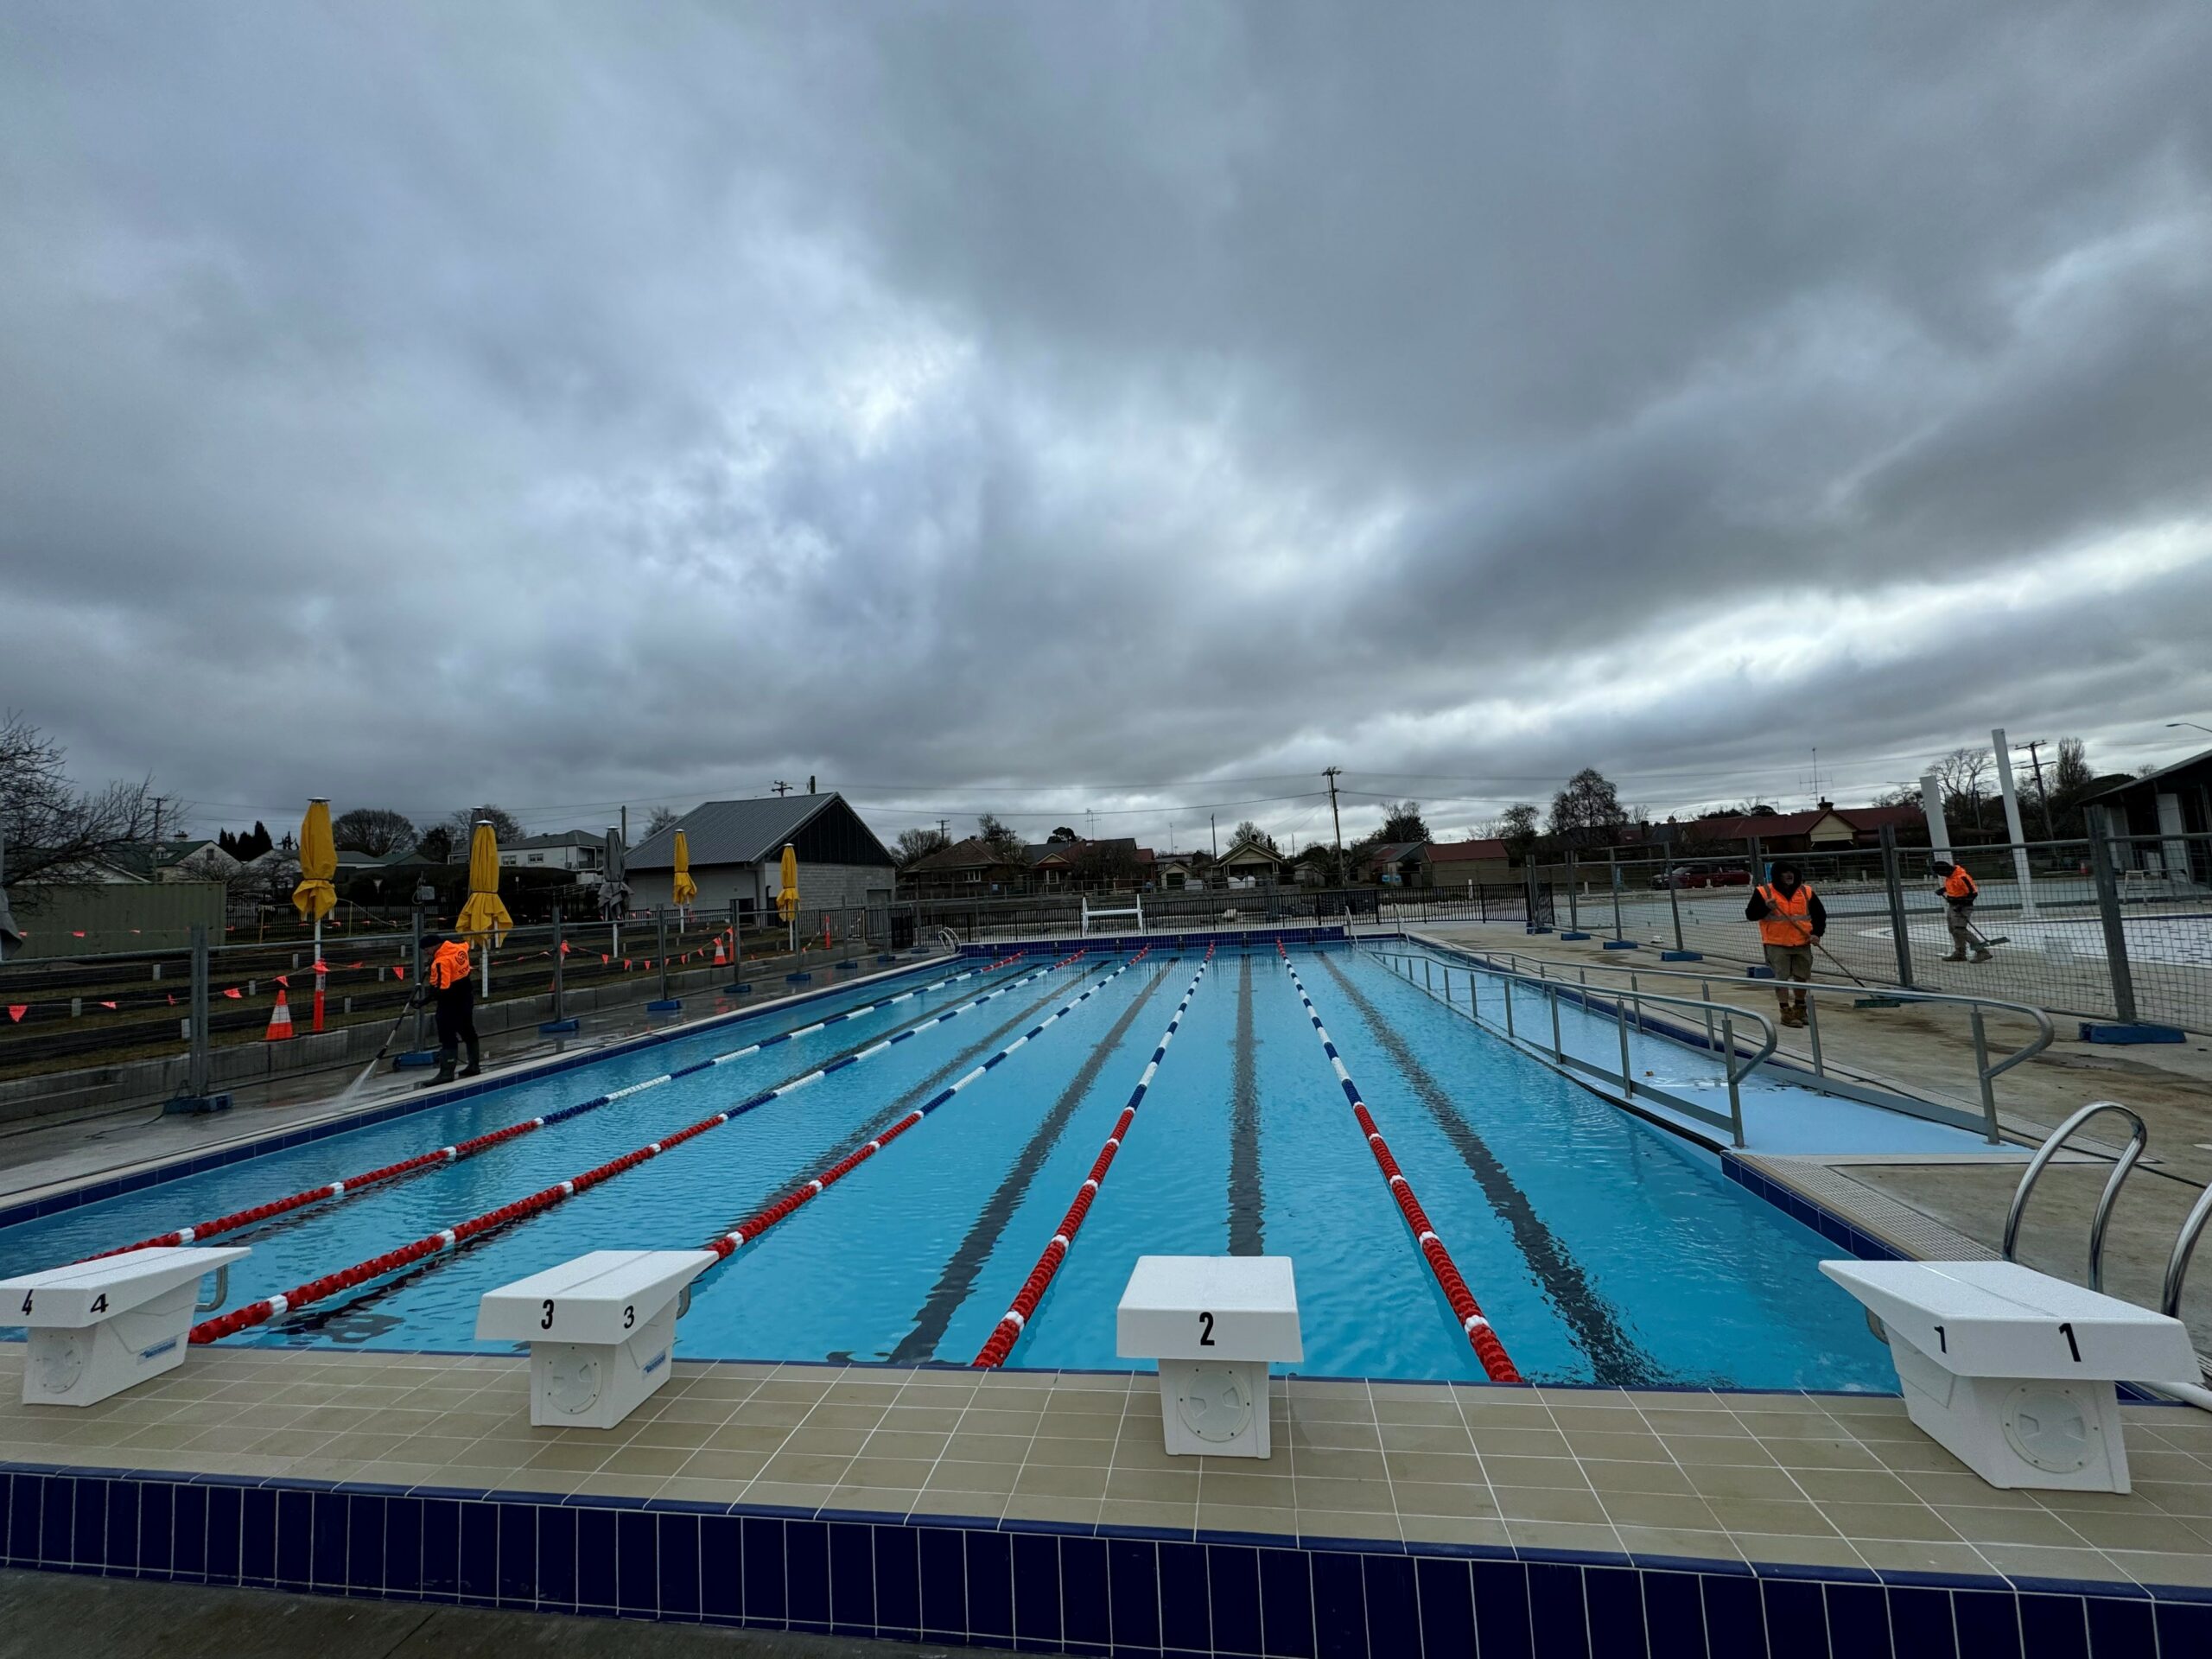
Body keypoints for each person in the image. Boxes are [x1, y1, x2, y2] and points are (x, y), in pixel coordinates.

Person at [1745, 860, 1825, 1027]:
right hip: (1777, 943)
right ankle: (1785, 1011)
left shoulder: (1806, 891)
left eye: (1792, 872)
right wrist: (1766, 907)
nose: (1790, 875)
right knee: (1782, 978)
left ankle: (1800, 1008)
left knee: (1801, 977)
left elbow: (1819, 914)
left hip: (1802, 942)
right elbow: (1751, 914)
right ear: (1777, 875)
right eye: (1785, 872)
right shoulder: (1764, 892)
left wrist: (1817, 933)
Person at [419, 930, 481, 1085]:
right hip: (466, 995)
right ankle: (474, 1065)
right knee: (467, 1029)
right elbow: (466, 945)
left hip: (450, 1000)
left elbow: (442, 987)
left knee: (447, 1033)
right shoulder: (460, 948)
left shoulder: (441, 962)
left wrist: (426, 1000)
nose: (426, 953)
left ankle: (446, 1073)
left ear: (435, 946)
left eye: (427, 950)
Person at [1931, 859, 1993, 963]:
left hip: (1963, 906)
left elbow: (1973, 893)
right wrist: (1943, 889)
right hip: (1953, 905)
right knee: (1953, 929)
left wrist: (1961, 904)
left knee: (1960, 929)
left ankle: (1982, 951)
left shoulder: (1962, 877)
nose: (1941, 875)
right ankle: (1960, 953)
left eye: (1940, 873)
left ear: (1945, 870)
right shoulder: (1950, 877)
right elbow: (1954, 886)